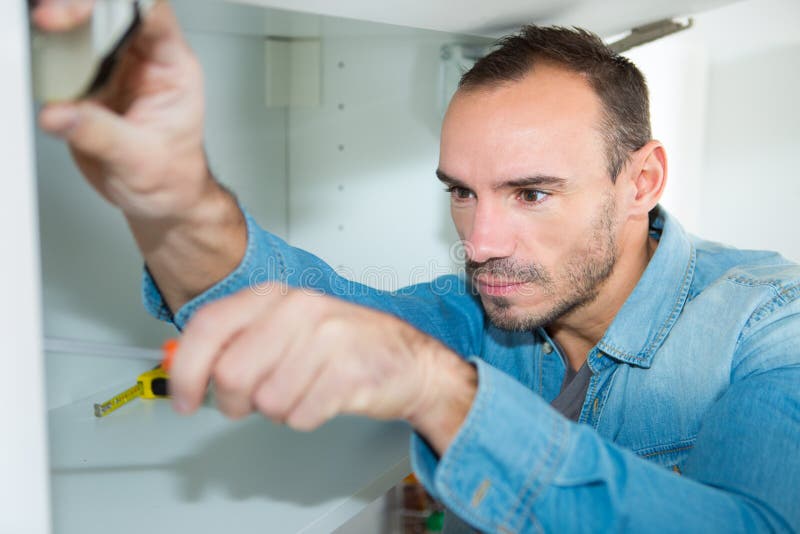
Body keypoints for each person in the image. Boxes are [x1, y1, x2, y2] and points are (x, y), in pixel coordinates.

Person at [35, 1, 800, 532]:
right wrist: (172, 199)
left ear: (641, 181)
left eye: (530, 193)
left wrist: (440, 389)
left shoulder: (771, 327)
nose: (479, 242)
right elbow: (302, 304)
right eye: (462, 193)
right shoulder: (490, 310)